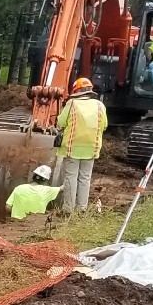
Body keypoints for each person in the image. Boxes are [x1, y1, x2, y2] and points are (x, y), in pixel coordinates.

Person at [54, 77, 107, 213]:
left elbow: (60, 123)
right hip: (92, 147)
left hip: (72, 147)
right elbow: (104, 125)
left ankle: (68, 209)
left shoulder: (72, 103)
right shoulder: (99, 105)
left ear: (76, 91)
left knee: (71, 177)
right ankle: (82, 208)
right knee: (85, 177)